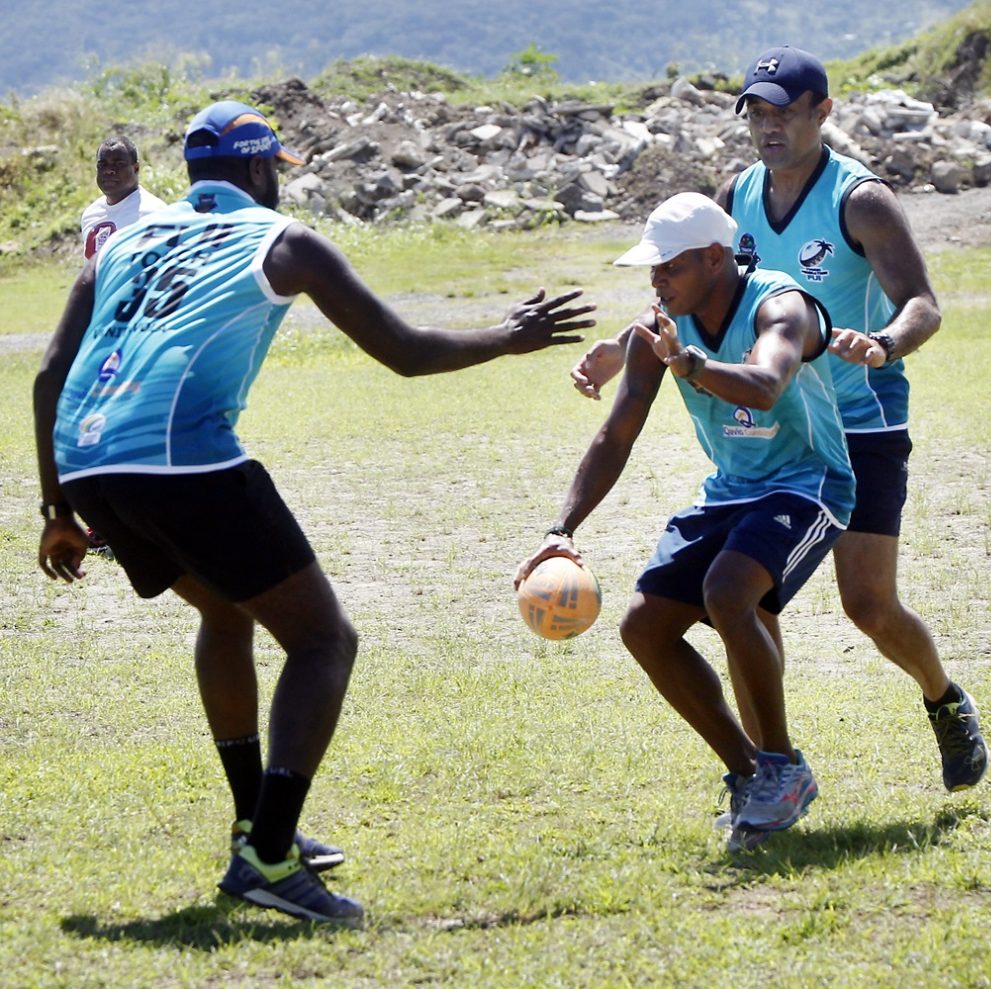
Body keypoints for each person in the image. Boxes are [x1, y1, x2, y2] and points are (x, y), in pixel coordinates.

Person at [35, 100, 595, 925]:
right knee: (324, 639)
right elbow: (405, 351)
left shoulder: (121, 242)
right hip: (181, 460)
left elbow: (49, 375)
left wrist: (55, 507)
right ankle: (268, 855)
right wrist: (507, 337)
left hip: (88, 464)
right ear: (260, 168)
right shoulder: (283, 241)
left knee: (226, 611)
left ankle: (252, 823)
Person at [569, 46, 988, 794]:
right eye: (756, 113)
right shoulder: (737, 193)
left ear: (822, 112)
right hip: (776, 425)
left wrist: (885, 343)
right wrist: (622, 345)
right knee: (747, 601)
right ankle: (771, 777)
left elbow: (923, 302)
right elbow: (693, 282)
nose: (768, 126)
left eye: (783, 112)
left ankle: (944, 699)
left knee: (868, 604)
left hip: (858, 420)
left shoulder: (861, 199)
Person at [517, 192, 855, 851]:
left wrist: (692, 364)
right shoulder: (660, 329)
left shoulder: (780, 305)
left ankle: (783, 768)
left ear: (715, 258)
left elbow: (766, 386)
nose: (658, 280)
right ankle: (749, 772)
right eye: (653, 269)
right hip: (731, 491)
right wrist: (562, 530)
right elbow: (617, 433)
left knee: (727, 593)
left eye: (670, 266)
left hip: (809, 483)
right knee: (644, 627)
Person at [81, 136, 167, 259]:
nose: (109, 171)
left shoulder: (154, 213)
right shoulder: (90, 214)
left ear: (136, 168)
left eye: (119, 164)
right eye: (102, 165)